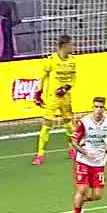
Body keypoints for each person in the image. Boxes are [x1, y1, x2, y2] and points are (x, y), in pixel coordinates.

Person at [69, 96, 107, 213]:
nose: (98, 110)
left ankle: (80, 203)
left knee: (97, 196)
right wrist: (83, 152)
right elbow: (74, 141)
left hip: (99, 162)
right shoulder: (84, 122)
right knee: (82, 189)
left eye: (101, 107)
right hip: (83, 161)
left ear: (104, 108)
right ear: (92, 107)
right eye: (96, 107)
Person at [32, 34, 77, 165]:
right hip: (52, 98)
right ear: (65, 46)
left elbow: (73, 79)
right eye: (71, 45)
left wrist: (66, 88)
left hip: (66, 97)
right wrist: (38, 93)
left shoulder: (72, 61)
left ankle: (72, 149)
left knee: (69, 124)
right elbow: (43, 77)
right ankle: (40, 155)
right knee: (47, 124)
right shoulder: (51, 60)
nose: (73, 47)